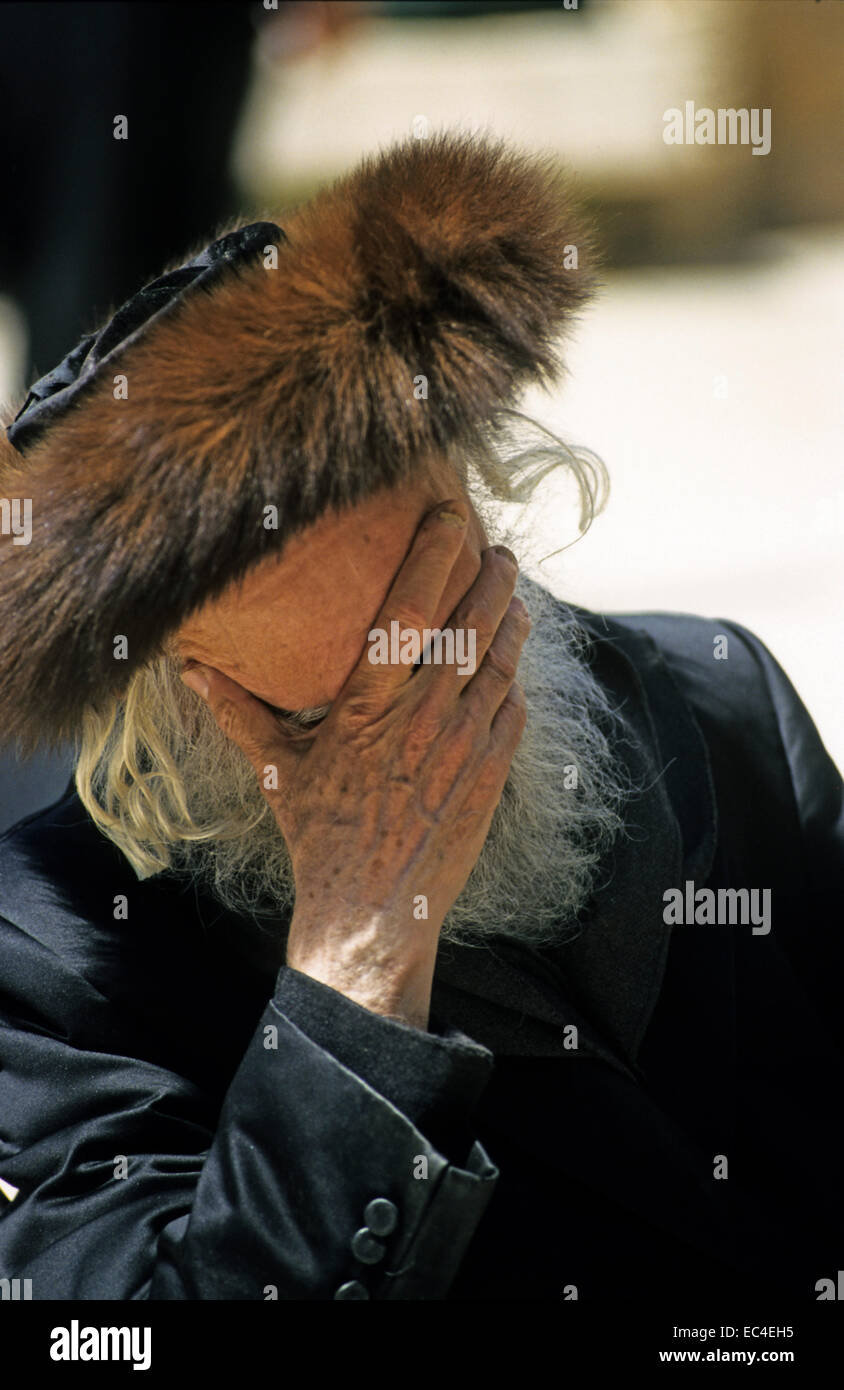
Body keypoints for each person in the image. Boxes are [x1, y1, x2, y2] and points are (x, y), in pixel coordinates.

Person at [0, 130, 841, 1302]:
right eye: (348, 702)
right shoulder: (55, 959)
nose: (435, 724)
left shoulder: (720, 697)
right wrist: (357, 963)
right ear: (185, 687)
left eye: (453, 609)